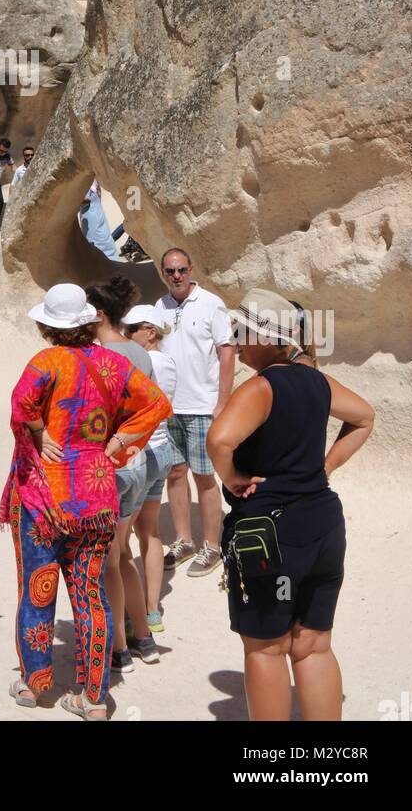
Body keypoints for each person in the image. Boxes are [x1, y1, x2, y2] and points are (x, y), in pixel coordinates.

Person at [0, 284, 171, 720]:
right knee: (91, 595)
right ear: (87, 321)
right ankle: (93, 698)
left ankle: (34, 684)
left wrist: (40, 433)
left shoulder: (44, 362)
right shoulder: (113, 363)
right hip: (96, 495)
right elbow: (156, 404)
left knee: (37, 592)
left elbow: (20, 407)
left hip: (43, 496)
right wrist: (115, 444)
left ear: (46, 325)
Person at [207, 288, 374, 722]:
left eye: (243, 330)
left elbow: (219, 440)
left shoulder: (261, 387)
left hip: (269, 533)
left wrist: (233, 479)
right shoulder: (316, 379)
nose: (237, 339)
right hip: (322, 523)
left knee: (266, 648)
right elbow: (365, 416)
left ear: (266, 337)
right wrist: (325, 468)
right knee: (314, 644)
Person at [86, 277, 156, 669]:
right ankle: (143, 637)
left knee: (107, 563)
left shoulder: (100, 357)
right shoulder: (140, 352)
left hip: (112, 465)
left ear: (97, 313)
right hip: (139, 461)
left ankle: (117, 648)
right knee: (124, 552)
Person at [157, 247, 235, 577]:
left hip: (202, 407)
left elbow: (227, 352)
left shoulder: (211, 303)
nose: (176, 275)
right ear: (163, 272)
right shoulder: (159, 307)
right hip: (169, 408)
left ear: (191, 269)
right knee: (174, 474)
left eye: (182, 270)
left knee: (204, 477)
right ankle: (184, 540)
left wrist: (222, 403)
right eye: (170, 270)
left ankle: (213, 546)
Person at [121, 304, 179, 643]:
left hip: (140, 451)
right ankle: (153, 609)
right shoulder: (169, 362)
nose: (126, 336)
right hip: (163, 448)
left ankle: (133, 616)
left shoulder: (144, 362)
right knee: (151, 533)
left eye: (132, 330)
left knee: (123, 538)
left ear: (150, 332)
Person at [79, 180, 124, 262]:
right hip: (93, 209)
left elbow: (84, 200)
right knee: (102, 238)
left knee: (98, 240)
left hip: (92, 211)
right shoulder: (91, 187)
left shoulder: (87, 190)